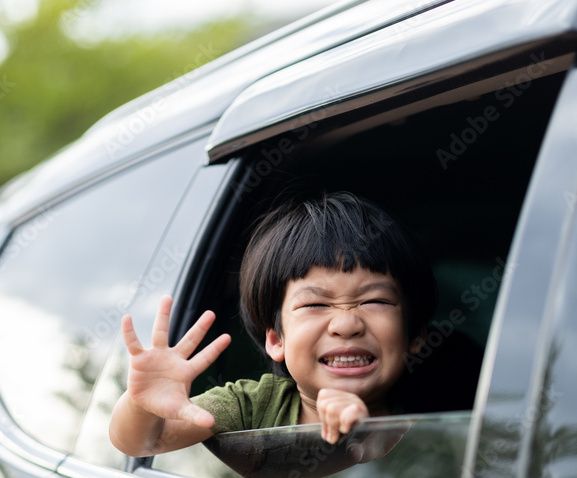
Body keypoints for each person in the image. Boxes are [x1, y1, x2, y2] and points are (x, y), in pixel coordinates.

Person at [109, 191, 437, 459]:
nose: (346, 324)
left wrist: (371, 435)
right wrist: (141, 405)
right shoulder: (251, 406)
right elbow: (145, 443)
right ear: (276, 340)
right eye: (316, 305)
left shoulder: (445, 409)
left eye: (373, 301)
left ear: (415, 334)